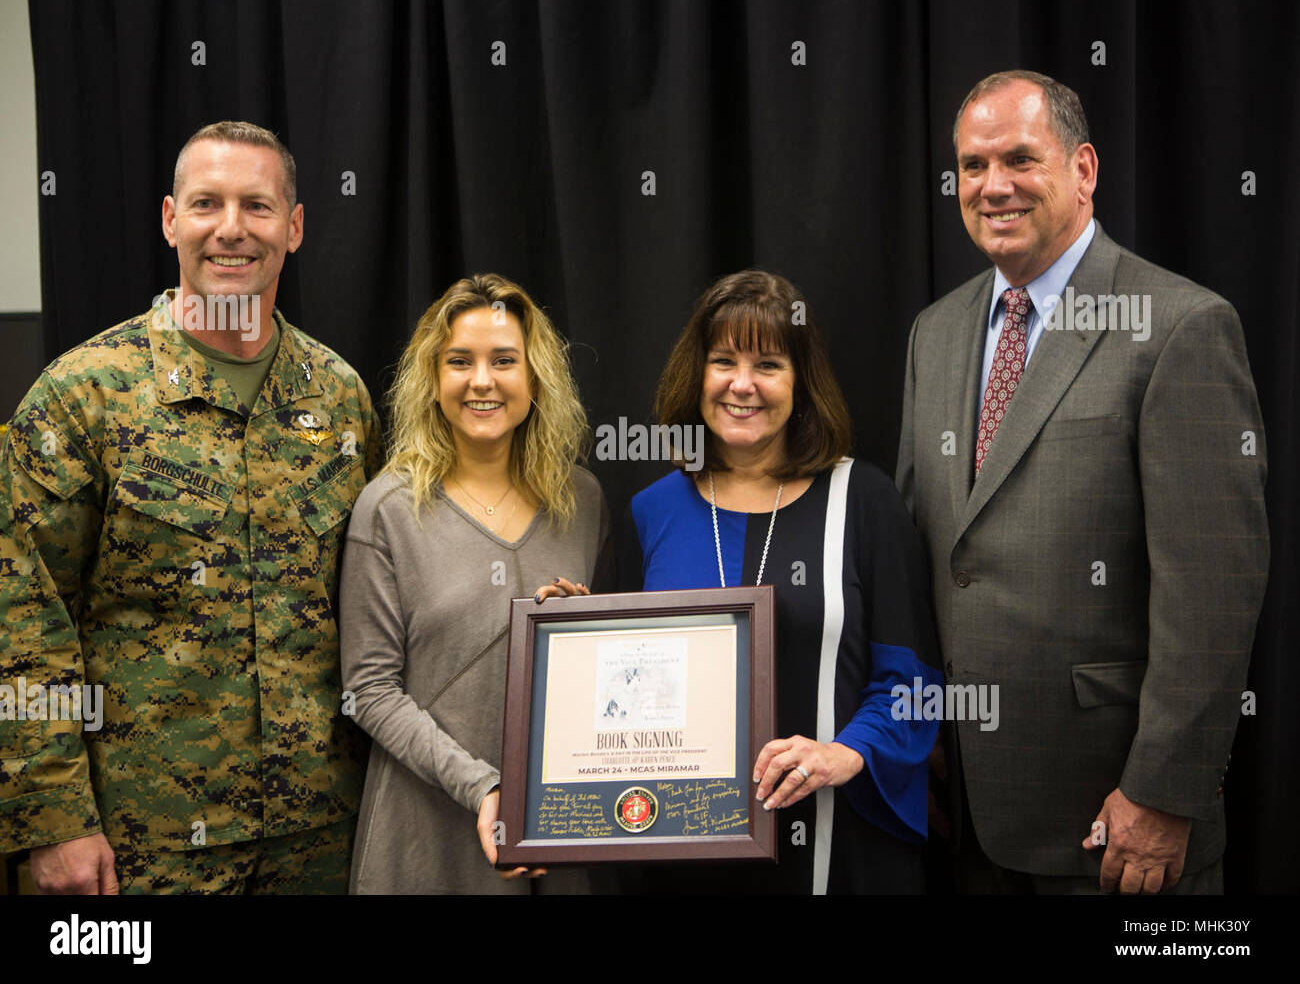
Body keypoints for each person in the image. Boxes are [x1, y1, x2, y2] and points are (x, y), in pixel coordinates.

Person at [896, 70, 1269, 894]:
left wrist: (1164, 792)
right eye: (972, 165)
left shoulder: (1179, 326)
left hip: (1117, 828)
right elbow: (925, 551)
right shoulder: (938, 332)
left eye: (1020, 159)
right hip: (963, 819)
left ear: (1084, 170)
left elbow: (1213, 594)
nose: (993, 186)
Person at [0, 121, 382, 893]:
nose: (232, 229)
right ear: (172, 219)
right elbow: (24, 622)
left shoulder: (339, 398)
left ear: (296, 227)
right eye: (207, 204)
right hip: (144, 845)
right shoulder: (84, 397)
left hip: (321, 837)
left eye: (258, 206)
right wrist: (54, 819)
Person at [612, 270, 941, 894]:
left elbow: (914, 682)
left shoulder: (863, 501)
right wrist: (571, 630)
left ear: (801, 382)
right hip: (681, 848)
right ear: (697, 374)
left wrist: (847, 751)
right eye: (723, 362)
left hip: (836, 839)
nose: (742, 385)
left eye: (768, 363)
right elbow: (620, 680)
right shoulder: (651, 510)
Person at [340, 273, 609, 894]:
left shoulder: (583, 500)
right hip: (425, 834)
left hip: (553, 832)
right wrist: (483, 786)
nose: (482, 380)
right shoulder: (388, 510)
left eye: (504, 361)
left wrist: (588, 635)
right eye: (459, 361)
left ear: (535, 376)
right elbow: (369, 689)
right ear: (433, 380)